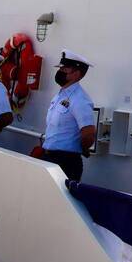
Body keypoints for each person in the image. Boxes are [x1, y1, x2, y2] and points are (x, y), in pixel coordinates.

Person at [34, 50, 96, 182]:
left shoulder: (80, 100)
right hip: (48, 157)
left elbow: (88, 133)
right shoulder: (59, 95)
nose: (60, 71)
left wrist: (81, 148)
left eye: (65, 68)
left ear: (77, 74)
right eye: (60, 68)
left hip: (66, 162)